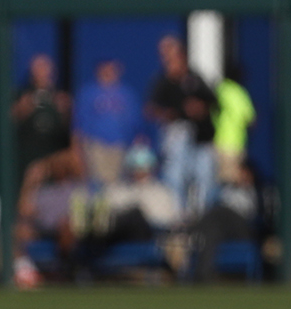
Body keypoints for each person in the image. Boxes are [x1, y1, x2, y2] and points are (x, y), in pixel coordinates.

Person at [143, 36, 216, 217]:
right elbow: (151, 109)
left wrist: (200, 107)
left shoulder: (194, 77)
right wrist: (173, 113)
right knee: (175, 177)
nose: (168, 60)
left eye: (172, 55)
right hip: (178, 133)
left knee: (203, 179)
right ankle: (177, 217)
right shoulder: (163, 82)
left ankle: (201, 217)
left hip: (202, 137)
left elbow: (213, 101)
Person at [13, 54, 76, 191]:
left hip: (52, 157)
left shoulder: (60, 97)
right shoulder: (23, 95)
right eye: (38, 68)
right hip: (27, 157)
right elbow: (9, 120)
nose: (42, 73)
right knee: (34, 172)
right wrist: (23, 108)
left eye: (46, 68)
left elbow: (70, 132)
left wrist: (66, 111)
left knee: (74, 158)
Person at [74, 59, 137, 187]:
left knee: (118, 182)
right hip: (96, 144)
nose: (109, 73)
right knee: (97, 181)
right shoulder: (88, 93)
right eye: (105, 69)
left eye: (112, 69)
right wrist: (76, 147)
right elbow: (79, 122)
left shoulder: (127, 94)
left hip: (120, 145)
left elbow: (134, 121)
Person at [211, 60, 256, 189]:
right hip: (234, 143)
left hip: (217, 142)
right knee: (232, 181)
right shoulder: (238, 93)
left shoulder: (219, 90)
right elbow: (250, 118)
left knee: (219, 180)